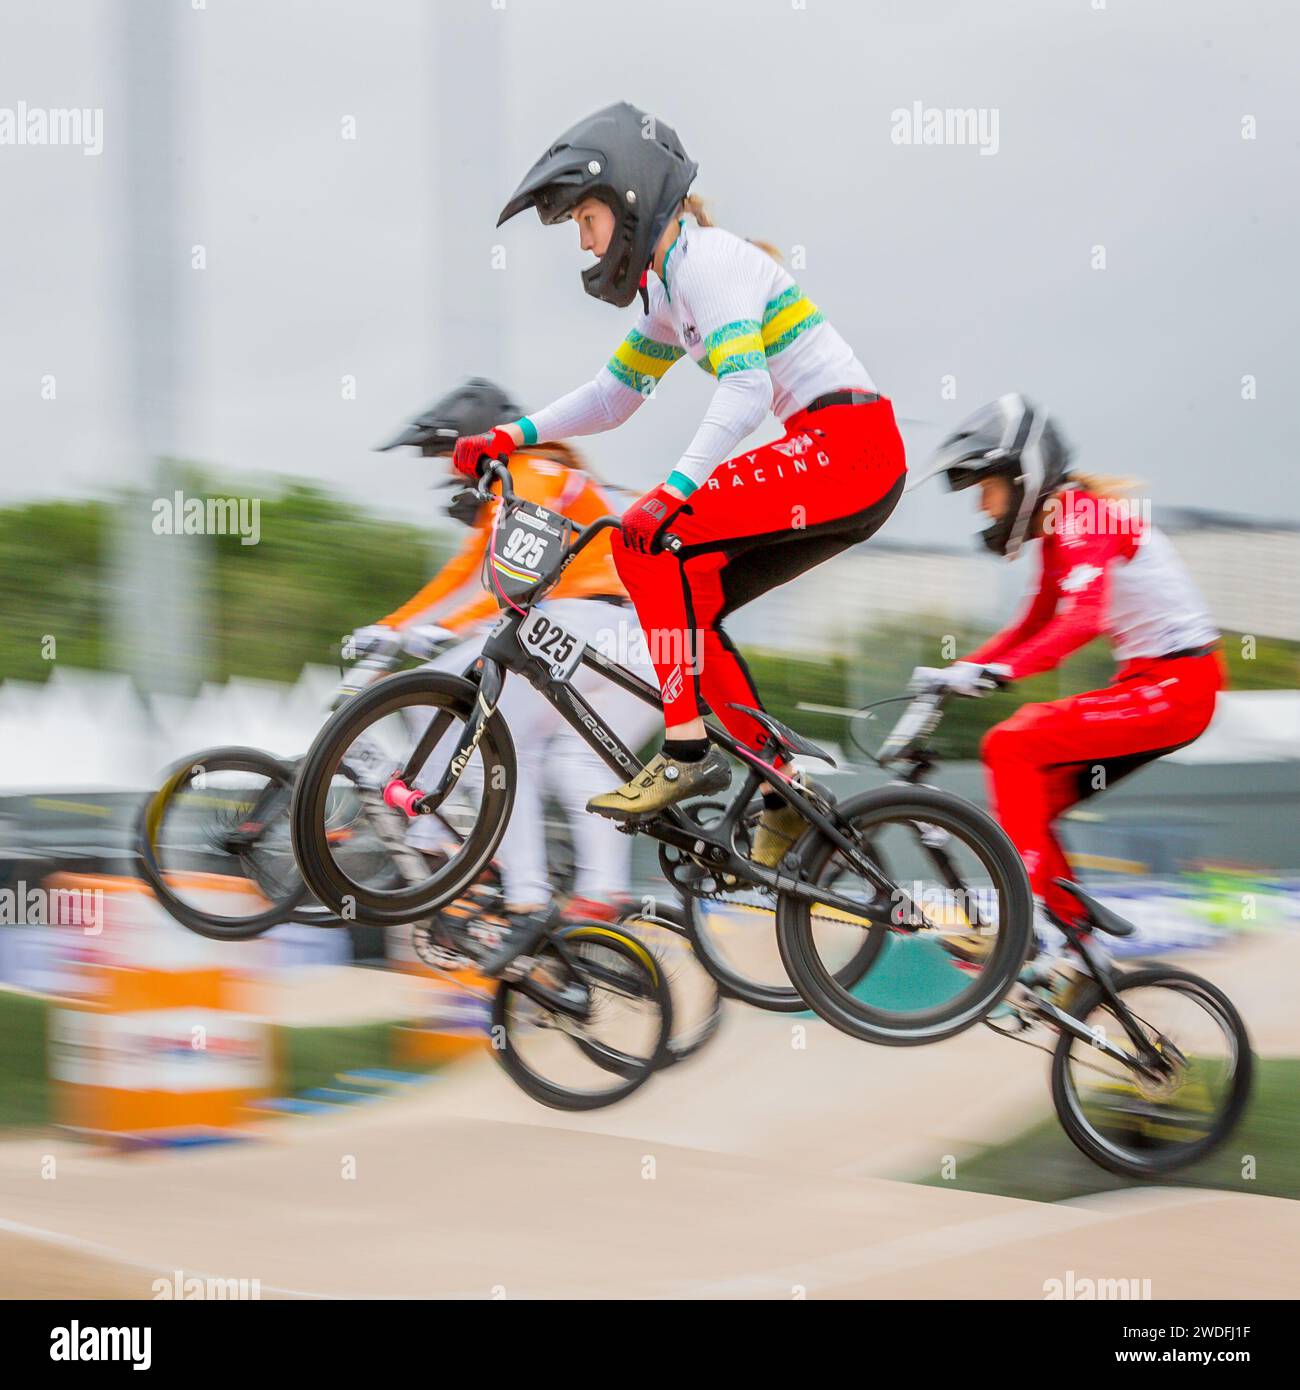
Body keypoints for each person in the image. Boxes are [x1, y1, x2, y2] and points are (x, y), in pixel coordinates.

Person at [450, 101, 906, 867]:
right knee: (693, 594)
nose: (585, 243)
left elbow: (747, 385)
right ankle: (781, 787)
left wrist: (672, 490)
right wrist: (512, 433)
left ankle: (687, 749)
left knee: (649, 543)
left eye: (585, 221)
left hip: (849, 448)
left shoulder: (708, 262)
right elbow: (612, 396)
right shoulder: (669, 288)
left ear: (629, 199)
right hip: (840, 457)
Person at [916, 394, 1223, 983]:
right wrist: (956, 672)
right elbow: (1033, 622)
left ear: (1022, 474)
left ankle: (1027, 924)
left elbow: (1080, 620)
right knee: (1030, 803)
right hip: (1154, 682)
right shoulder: (1062, 527)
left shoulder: (1083, 516)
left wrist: (1000, 674)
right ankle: (1089, 963)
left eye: (986, 486)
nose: (981, 504)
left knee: (1011, 745)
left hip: (1179, 685)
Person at [355, 379, 661, 969]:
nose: (453, 473)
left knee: (491, 734)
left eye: (453, 456)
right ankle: (599, 898)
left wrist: (450, 627)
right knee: (568, 761)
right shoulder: (518, 481)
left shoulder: (536, 471)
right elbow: (466, 569)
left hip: (587, 622)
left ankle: (518, 891)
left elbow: (514, 577)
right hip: (620, 634)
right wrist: (392, 625)